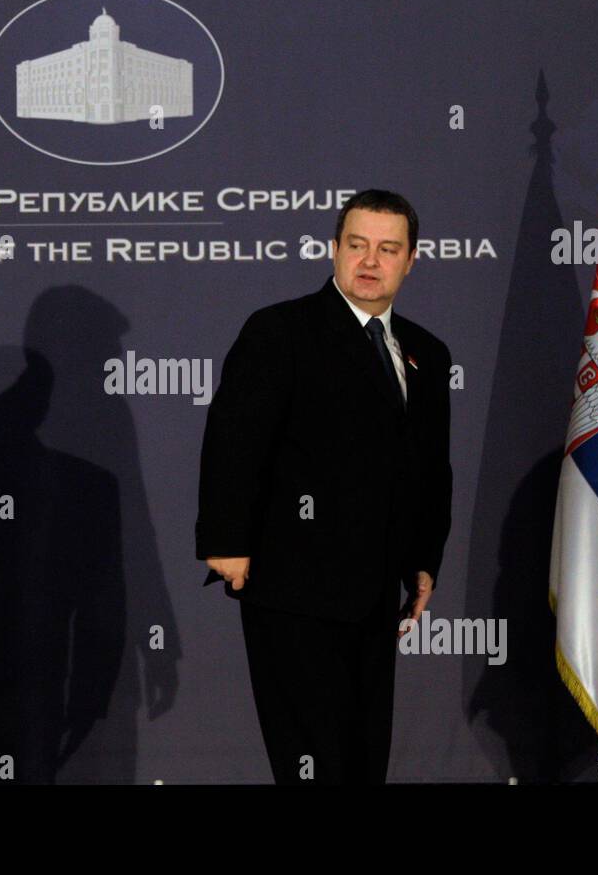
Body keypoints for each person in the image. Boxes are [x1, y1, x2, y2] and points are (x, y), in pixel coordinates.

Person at [196, 189, 452, 784]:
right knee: (313, 762)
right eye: (357, 245)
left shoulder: (427, 353)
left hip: (375, 591)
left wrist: (422, 558)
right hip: (292, 588)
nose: (370, 261)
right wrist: (226, 541)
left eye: (388, 249)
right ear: (334, 250)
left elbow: (429, 469)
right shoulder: (280, 331)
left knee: (364, 761)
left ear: (411, 260)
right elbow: (233, 443)